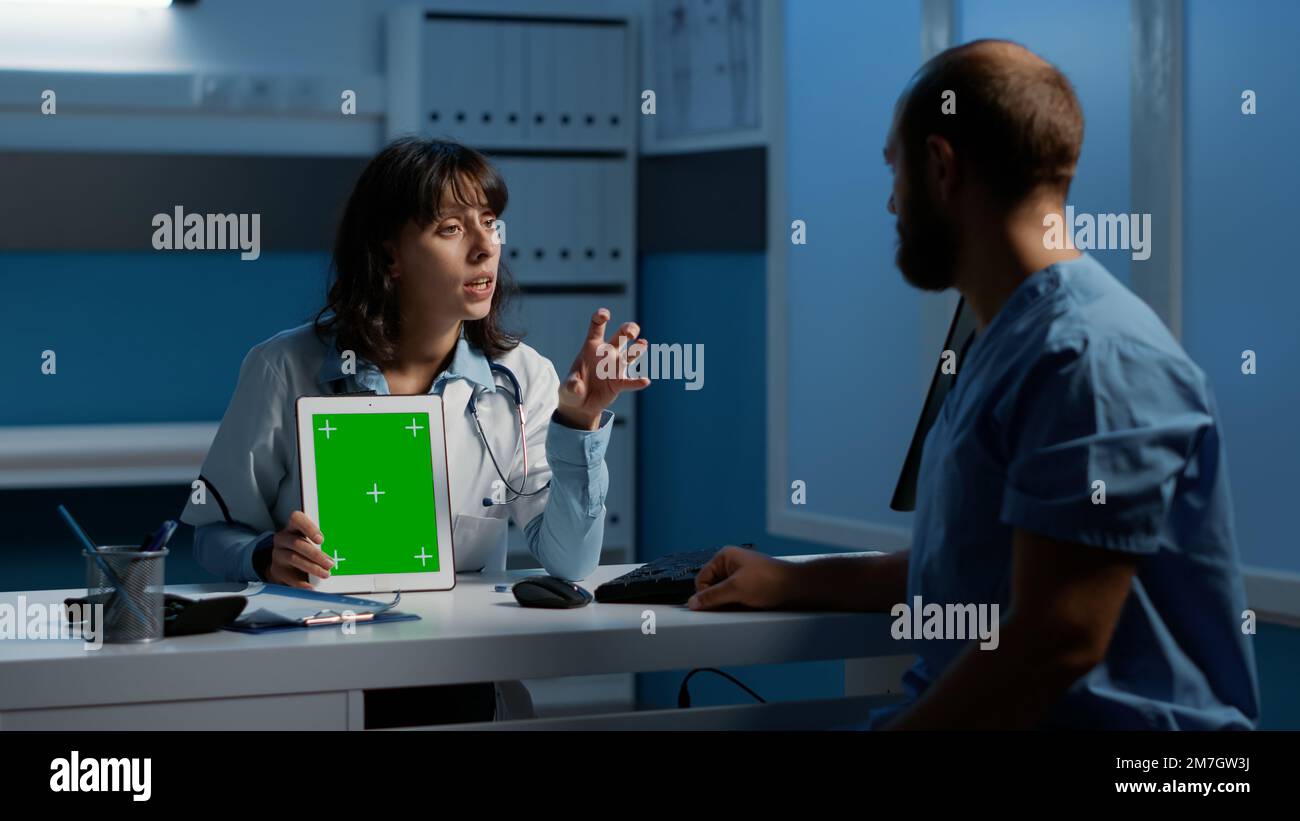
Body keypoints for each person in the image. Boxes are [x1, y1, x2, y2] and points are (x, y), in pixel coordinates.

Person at [688, 40, 1260, 730]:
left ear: (940, 166)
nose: (891, 202)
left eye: (894, 170)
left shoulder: (1089, 358)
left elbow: (1058, 639)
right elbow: (979, 567)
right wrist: (792, 578)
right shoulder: (1005, 346)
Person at [179, 137, 649, 724]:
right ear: (390, 254)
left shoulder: (525, 378)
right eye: (451, 228)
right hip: (317, 675)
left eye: (490, 223)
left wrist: (579, 424)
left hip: (457, 678)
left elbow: (571, 563)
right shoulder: (284, 368)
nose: (485, 249)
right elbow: (210, 535)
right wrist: (262, 555)